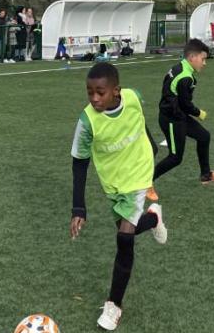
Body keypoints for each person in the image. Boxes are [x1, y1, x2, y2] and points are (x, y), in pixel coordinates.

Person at [70, 62, 168, 331]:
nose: (94, 98)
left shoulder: (133, 97)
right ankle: (153, 217)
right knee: (128, 230)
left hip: (138, 175)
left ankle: (114, 305)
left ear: (117, 91)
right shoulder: (87, 121)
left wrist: (150, 148)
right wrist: (79, 208)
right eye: (89, 92)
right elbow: (79, 162)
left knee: (124, 238)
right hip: (113, 183)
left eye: (100, 92)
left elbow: (139, 120)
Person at [150, 38, 214, 201]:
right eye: (203, 59)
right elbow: (185, 104)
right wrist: (199, 113)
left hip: (178, 115)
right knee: (175, 158)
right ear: (192, 57)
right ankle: (146, 183)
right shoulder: (186, 77)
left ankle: (206, 175)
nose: (204, 63)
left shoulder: (180, 67)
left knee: (204, 136)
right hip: (171, 119)